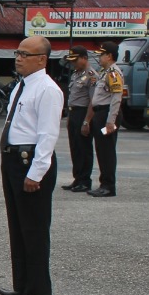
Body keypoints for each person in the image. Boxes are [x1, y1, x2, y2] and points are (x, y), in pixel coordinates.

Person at [0, 36, 63, 295]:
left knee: (34, 228)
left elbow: (48, 135)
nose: (19, 58)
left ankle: (39, 290)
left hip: (31, 160)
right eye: (18, 52)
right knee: (18, 225)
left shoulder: (47, 89)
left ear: (42, 60)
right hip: (13, 159)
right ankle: (22, 284)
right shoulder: (21, 86)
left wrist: (36, 174)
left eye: (25, 54)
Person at [83, 41, 123, 197]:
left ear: (109, 56)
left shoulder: (113, 73)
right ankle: (104, 183)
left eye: (102, 55)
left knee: (106, 150)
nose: (99, 58)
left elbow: (116, 97)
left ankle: (108, 186)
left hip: (107, 114)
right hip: (100, 114)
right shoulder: (105, 72)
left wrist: (111, 121)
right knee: (101, 148)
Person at [61, 45, 96, 193]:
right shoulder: (76, 74)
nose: (73, 63)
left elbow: (93, 101)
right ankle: (77, 178)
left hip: (84, 113)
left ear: (84, 58)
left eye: (76, 60)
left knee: (84, 148)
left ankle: (85, 181)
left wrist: (87, 121)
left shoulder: (91, 75)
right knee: (75, 147)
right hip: (74, 113)